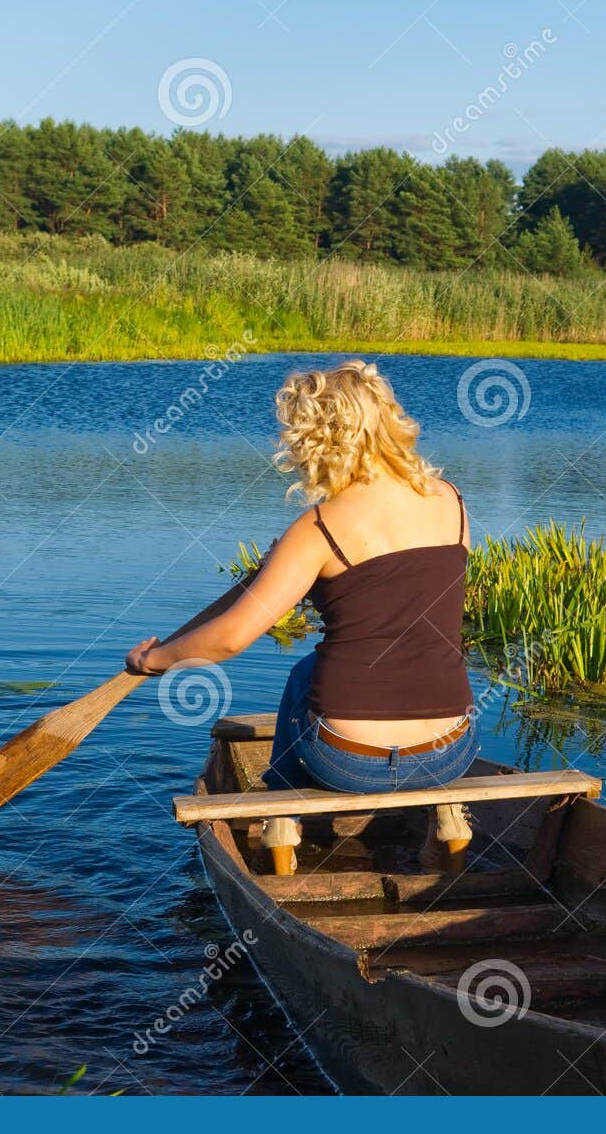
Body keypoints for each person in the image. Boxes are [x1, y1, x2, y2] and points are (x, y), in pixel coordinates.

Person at [126, 360, 477, 874]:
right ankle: (446, 809)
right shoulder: (453, 503)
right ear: (387, 420)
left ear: (315, 440)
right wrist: (289, 566)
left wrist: (155, 659)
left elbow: (229, 640)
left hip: (348, 761)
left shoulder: (317, 528)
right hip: (450, 751)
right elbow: (411, 605)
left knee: (302, 674)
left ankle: (283, 817)